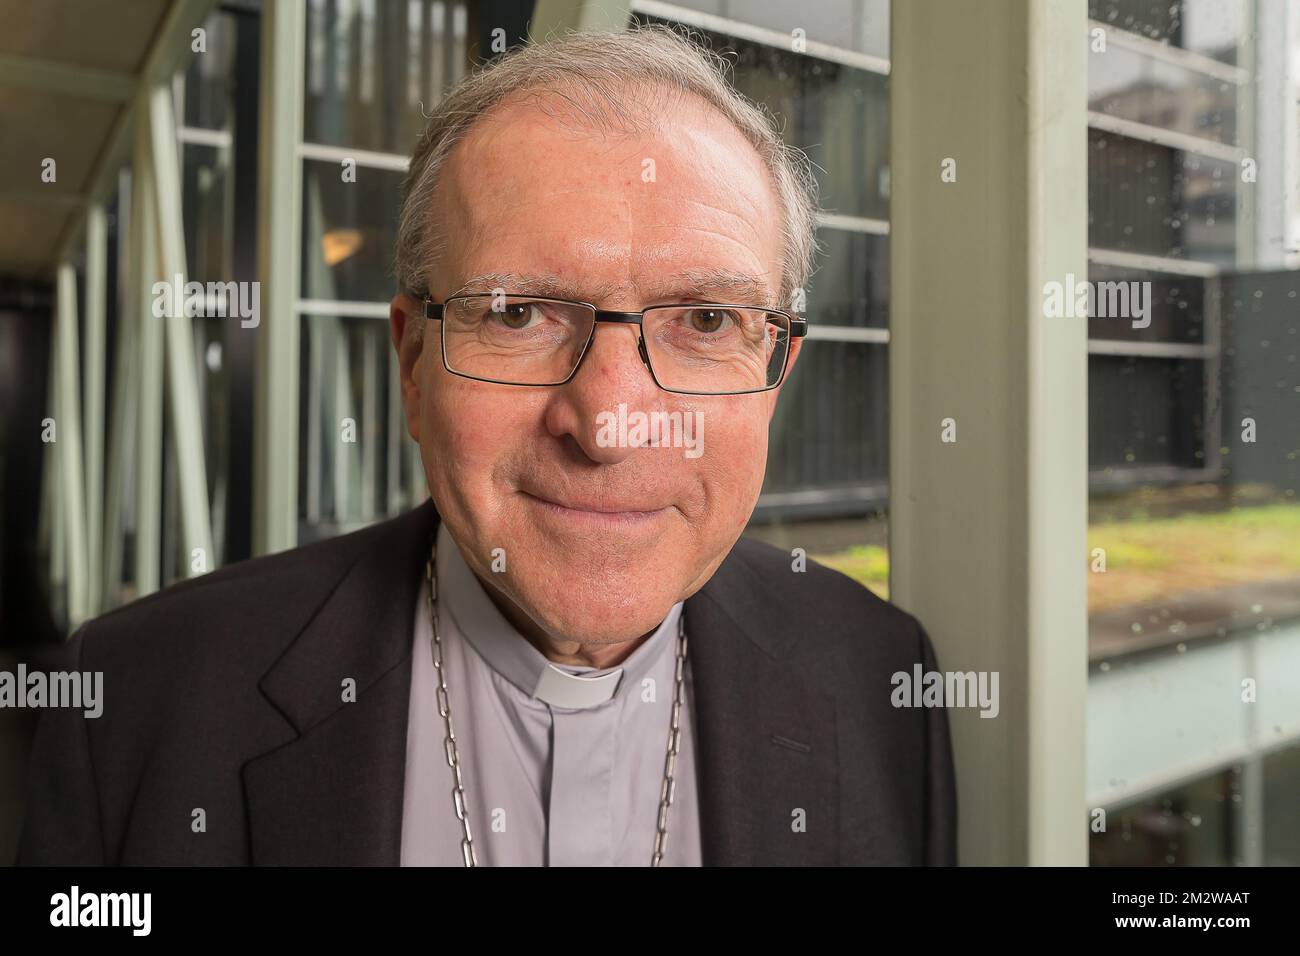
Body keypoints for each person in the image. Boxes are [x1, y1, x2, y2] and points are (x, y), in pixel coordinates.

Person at [19, 24, 955, 867]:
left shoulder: (881, 683)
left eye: (706, 319)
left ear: (778, 369)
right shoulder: (138, 706)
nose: (608, 422)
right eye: (518, 314)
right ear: (413, 362)